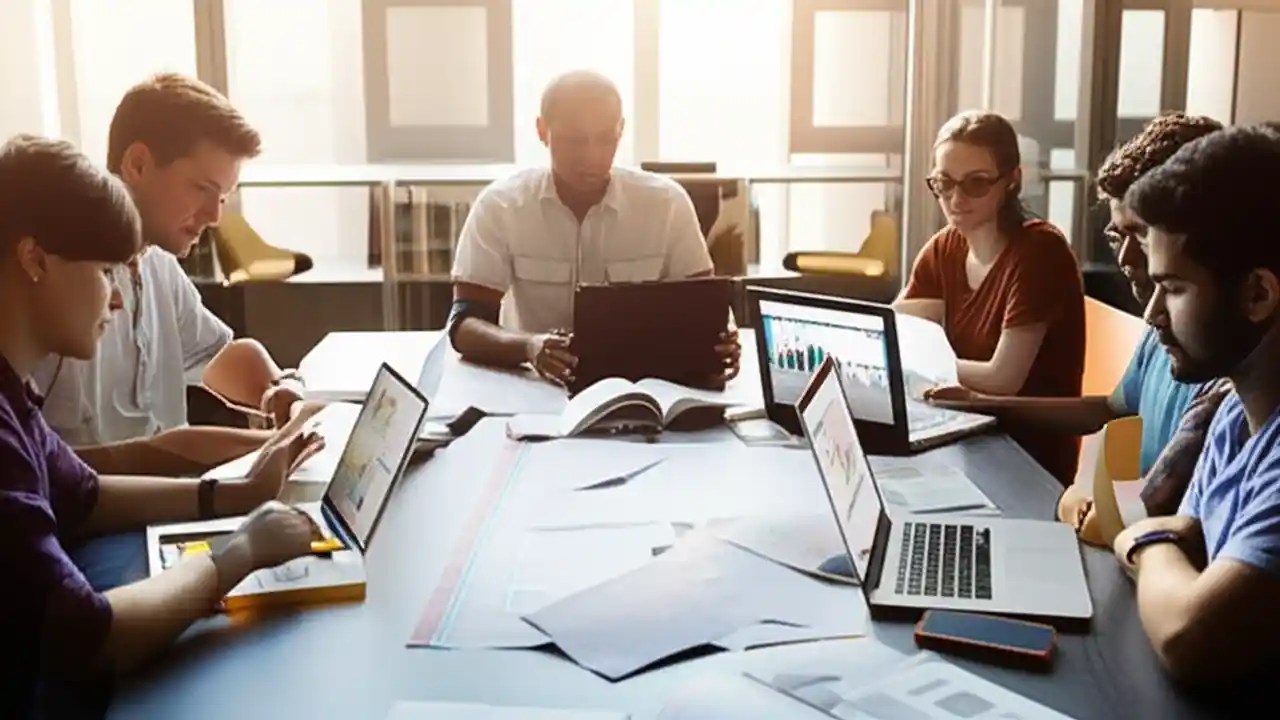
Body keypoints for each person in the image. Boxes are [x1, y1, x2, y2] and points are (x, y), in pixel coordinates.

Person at [0, 135, 320, 718]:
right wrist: (239, 553)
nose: (115, 301)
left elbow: (83, 493)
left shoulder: (13, 397)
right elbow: (92, 639)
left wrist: (236, 493)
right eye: (104, 272)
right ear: (35, 260)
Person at [925, 113, 1226, 521]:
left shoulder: (1225, 371)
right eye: (1117, 236)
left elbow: (1167, 517)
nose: (1125, 258)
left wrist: (1104, 513)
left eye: (1141, 236)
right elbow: (1110, 409)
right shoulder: (1158, 326)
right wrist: (981, 403)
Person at [32, 73, 308, 474]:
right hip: (96, 510)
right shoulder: (60, 280)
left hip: (171, 499)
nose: (214, 216)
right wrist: (269, 447)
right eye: (201, 188)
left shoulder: (158, 263)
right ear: (138, 164)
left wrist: (278, 390)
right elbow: (32, 461)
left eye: (222, 197)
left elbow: (216, 354)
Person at [1113, 125, 1280, 686]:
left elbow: (1187, 635)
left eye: (1175, 288)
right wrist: (1161, 540)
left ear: (1258, 294)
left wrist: (1143, 540)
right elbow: (1183, 535)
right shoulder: (1234, 413)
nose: (1153, 314)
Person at [448, 70, 739, 387]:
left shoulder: (667, 203)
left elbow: (705, 309)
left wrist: (722, 340)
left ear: (621, 130)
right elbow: (465, 324)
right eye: (574, 141)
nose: (591, 155)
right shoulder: (501, 205)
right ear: (542, 131)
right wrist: (530, 346)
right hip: (534, 390)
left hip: (644, 390)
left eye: (605, 139)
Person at [894, 111, 1085, 485]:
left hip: (1025, 457)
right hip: (959, 437)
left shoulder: (1040, 252)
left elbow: (1002, 378)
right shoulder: (945, 247)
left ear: (1012, 180)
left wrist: (917, 363)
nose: (956, 198)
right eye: (943, 183)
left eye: (976, 183)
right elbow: (897, 331)